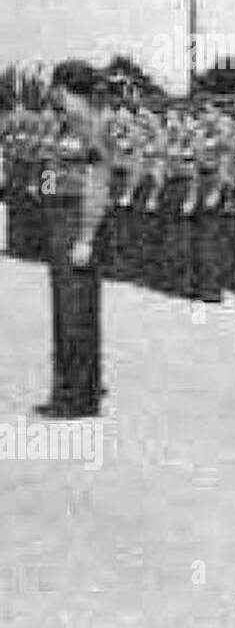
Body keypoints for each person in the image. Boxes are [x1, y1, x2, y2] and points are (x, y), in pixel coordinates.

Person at [38, 61, 113, 419]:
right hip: (60, 219)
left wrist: (86, 236)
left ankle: (76, 398)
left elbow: (98, 184)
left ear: (64, 88)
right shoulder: (64, 126)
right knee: (65, 311)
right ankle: (70, 388)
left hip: (78, 222)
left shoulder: (92, 126)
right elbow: (52, 172)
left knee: (76, 312)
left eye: (54, 87)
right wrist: (46, 196)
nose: (51, 94)